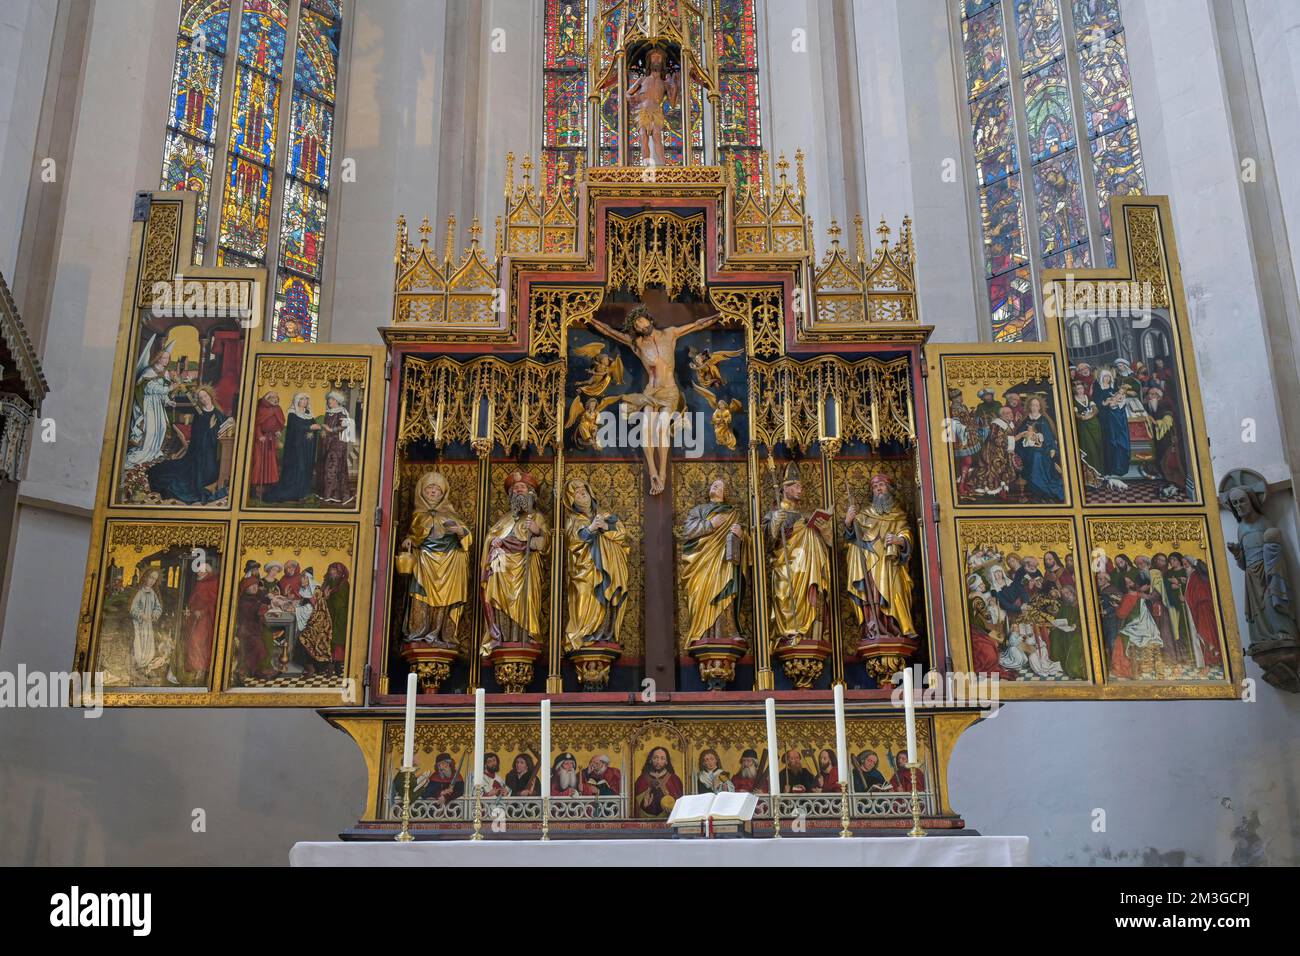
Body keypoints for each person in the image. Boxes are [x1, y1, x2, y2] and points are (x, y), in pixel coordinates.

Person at [584, 305, 722, 494]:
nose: (641, 325)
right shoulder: (638, 345)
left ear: (648, 319)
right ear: (636, 330)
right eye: (637, 325)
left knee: (661, 428)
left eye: (641, 320)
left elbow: (697, 325)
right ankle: (653, 473)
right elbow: (610, 331)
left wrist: (720, 315)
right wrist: (588, 318)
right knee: (647, 430)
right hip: (651, 391)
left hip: (670, 391)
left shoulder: (670, 334)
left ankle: (663, 474)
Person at [399, 471, 471, 648]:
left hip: (449, 563)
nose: (432, 492)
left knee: (445, 600)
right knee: (420, 597)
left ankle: (439, 634)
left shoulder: (451, 515)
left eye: (437, 489)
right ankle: (419, 633)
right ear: (421, 492)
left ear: (443, 493)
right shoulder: (418, 516)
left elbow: (468, 539)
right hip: (424, 563)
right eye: (429, 488)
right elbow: (413, 536)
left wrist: (459, 532)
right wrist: (408, 540)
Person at [481, 471, 550, 654]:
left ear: (531, 494)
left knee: (526, 599)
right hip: (503, 568)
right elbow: (491, 537)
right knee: (494, 590)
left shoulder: (537, 517)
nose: (519, 491)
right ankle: (501, 636)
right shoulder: (504, 520)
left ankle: (525, 637)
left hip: (526, 567)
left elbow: (547, 543)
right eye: (515, 489)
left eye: (522, 488)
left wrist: (537, 532)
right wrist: (493, 542)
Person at [844, 473, 916, 640]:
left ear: (889, 488)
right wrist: (848, 522)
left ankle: (895, 628)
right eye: (875, 487)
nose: (878, 489)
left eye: (881, 486)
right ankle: (873, 627)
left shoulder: (898, 514)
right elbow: (851, 537)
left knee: (896, 591)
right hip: (870, 563)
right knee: (873, 595)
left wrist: (900, 540)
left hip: (891, 564)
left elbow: (906, 533)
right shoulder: (864, 514)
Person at [562, 478, 631, 651]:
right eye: (576, 492)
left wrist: (605, 527)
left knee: (608, 595)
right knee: (587, 598)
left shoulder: (606, 515)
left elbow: (622, 534)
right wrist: (591, 529)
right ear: (572, 500)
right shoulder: (573, 519)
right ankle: (584, 635)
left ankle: (605, 634)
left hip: (610, 567)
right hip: (586, 569)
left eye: (583, 489)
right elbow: (572, 540)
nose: (581, 492)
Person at [765, 467, 832, 644]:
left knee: (812, 592)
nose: (800, 489)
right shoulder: (775, 514)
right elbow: (764, 545)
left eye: (801, 486)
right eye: (795, 486)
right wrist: (773, 525)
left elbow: (829, 545)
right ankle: (788, 633)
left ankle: (809, 632)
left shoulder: (807, 515)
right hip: (786, 565)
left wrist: (825, 532)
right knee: (785, 593)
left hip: (809, 567)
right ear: (785, 489)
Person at [680, 477, 748, 648]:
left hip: (724, 561)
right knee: (702, 591)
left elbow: (749, 541)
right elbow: (687, 531)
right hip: (702, 562)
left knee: (725, 589)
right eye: (713, 485)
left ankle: (730, 631)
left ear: (726, 493)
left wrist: (742, 534)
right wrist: (710, 524)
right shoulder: (699, 510)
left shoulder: (733, 513)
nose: (714, 487)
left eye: (719, 486)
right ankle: (702, 632)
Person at [147, 386, 231, 504]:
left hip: (212, 452)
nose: (204, 399)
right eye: (201, 397)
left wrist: (230, 422)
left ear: (210, 396)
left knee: (213, 471)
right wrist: (210, 428)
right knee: (185, 478)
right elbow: (197, 438)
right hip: (199, 453)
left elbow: (225, 424)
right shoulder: (199, 416)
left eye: (205, 396)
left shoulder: (217, 413)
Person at [262, 392, 322, 503]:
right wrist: (309, 427)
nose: (304, 402)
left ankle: (302, 493)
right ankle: (293, 492)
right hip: (296, 448)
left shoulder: (308, 413)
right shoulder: (292, 414)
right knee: (299, 468)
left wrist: (315, 429)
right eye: (302, 399)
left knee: (307, 468)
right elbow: (295, 428)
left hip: (307, 447)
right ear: (297, 401)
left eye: (306, 400)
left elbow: (313, 426)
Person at [626, 46, 679, 167]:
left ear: (662, 62)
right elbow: (628, 93)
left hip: (656, 112)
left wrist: (674, 87)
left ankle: (662, 166)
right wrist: (632, 98)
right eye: (653, 57)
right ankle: (646, 165)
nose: (656, 60)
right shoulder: (642, 79)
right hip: (643, 111)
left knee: (656, 136)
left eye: (659, 58)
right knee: (643, 136)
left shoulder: (664, 83)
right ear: (649, 62)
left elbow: (672, 103)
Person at [1013, 396, 1063, 501]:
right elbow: (1020, 437)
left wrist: (1051, 449)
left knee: (1038, 457)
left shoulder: (1044, 420)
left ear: (1040, 407)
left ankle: (1042, 489)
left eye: (1036, 405)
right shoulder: (1025, 420)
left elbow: (1049, 438)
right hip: (1026, 450)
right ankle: (1035, 490)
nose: (1034, 407)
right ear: (1029, 407)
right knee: (1034, 456)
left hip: (1043, 449)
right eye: (1032, 405)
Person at [233, 560, 272, 682]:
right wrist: (264, 605)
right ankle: (251, 670)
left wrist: (266, 599)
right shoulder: (245, 597)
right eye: (254, 570)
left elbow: (260, 596)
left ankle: (261, 668)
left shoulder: (254, 589)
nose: (256, 572)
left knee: (267, 637)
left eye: (257, 569)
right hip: (247, 629)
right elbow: (254, 610)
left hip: (255, 626)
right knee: (258, 645)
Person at [318, 390, 357, 504]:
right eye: (329, 399)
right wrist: (324, 432)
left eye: (331, 399)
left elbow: (343, 426)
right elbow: (326, 426)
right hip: (327, 442)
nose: (329, 401)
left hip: (337, 443)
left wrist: (331, 430)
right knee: (327, 467)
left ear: (337, 401)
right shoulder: (328, 412)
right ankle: (328, 494)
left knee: (333, 467)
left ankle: (334, 494)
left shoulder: (341, 412)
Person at [183, 562, 219, 683]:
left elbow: (213, 603)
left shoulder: (212, 583)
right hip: (196, 617)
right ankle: (196, 668)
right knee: (193, 641)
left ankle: (201, 668)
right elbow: (195, 601)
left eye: (202, 570)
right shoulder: (199, 583)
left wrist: (202, 612)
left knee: (197, 641)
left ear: (208, 571)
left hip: (207, 619)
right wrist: (191, 610)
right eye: (198, 570)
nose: (199, 572)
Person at [1093, 368, 1131, 477]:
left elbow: (1121, 401)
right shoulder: (1098, 389)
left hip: (1115, 418)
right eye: (1105, 377)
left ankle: (1118, 467)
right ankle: (1107, 469)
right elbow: (1096, 404)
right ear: (1101, 378)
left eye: (1108, 377)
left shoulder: (1114, 388)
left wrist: (1119, 402)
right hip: (1104, 420)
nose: (1107, 379)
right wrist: (1105, 403)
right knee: (1108, 442)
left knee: (1118, 441)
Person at [129, 569, 164, 678]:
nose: (152, 581)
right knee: (139, 643)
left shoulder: (153, 593)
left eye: (155, 579)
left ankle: (146, 665)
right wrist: (141, 615)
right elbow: (133, 608)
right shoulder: (140, 592)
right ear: (145, 577)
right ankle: (139, 665)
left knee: (148, 644)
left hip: (148, 625)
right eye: (151, 578)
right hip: (139, 624)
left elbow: (158, 607)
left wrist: (155, 614)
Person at [250, 392, 284, 498]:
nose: (275, 399)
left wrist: (277, 431)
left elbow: (278, 423)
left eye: (276, 397)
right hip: (261, 440)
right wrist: (259, 435)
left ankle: (269, 487)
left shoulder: (278, 409)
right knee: (259, 462)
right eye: (272, 397)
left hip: (271, 439)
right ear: (267, 399)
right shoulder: (261, 409)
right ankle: (256, 487)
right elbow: (257, 424)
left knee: (271, 463)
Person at [634, 746, 683, 817]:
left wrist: (670, 804)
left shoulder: (674, 780)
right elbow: (635, 806)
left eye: (662, 758)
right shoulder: (641, 780)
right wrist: (644, 804)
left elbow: (679, 803)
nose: (658, 761)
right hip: (646, 821)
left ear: (666, 761)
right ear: (650, 760)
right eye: (655, 758)